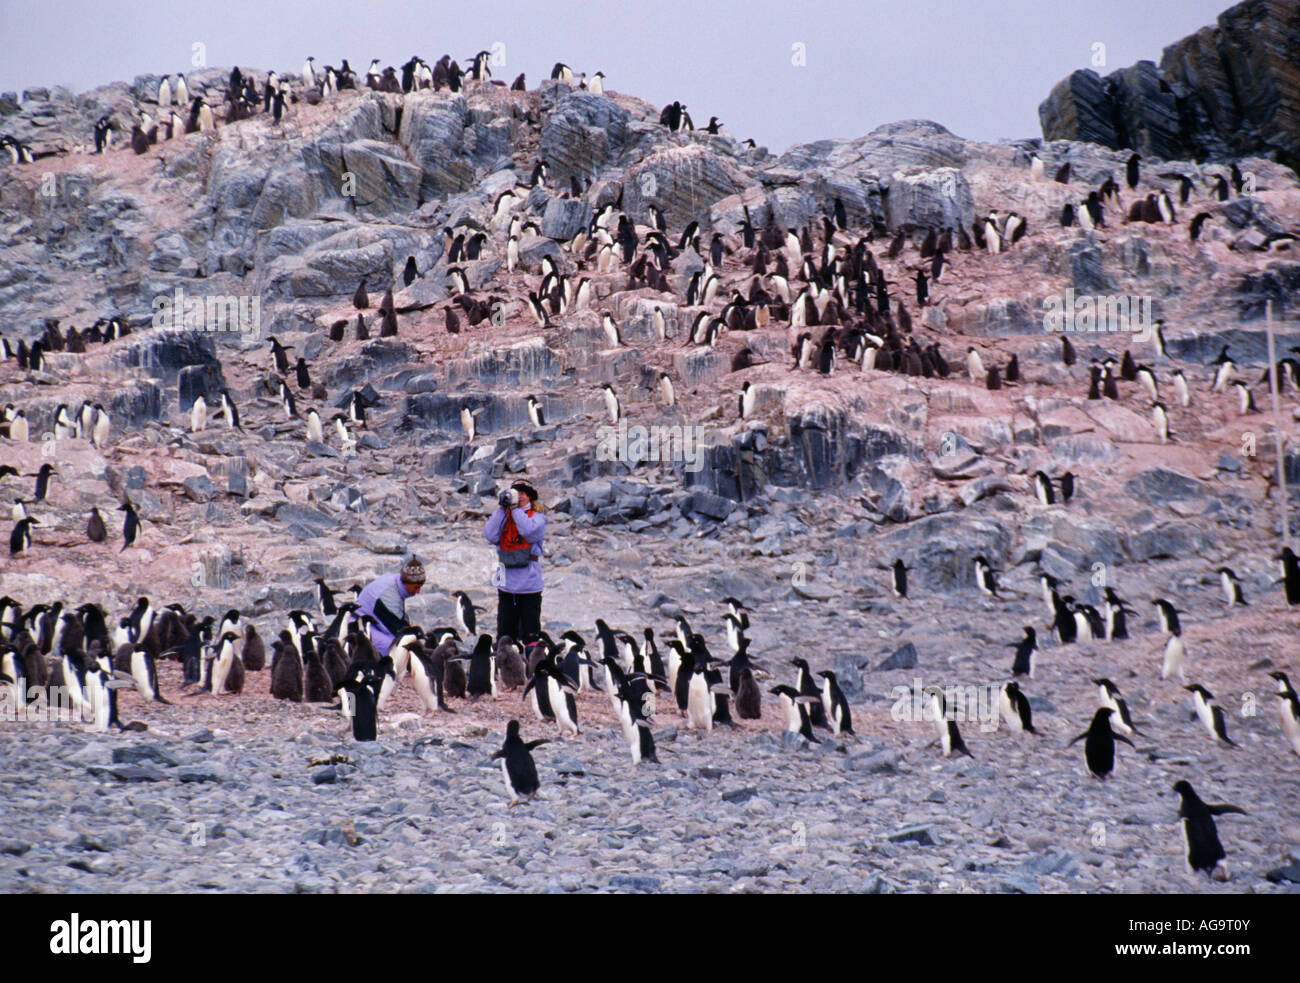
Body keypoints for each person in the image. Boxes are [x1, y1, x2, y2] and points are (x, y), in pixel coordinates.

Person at [482, 481, 545, 646]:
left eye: (523, 493)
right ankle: (503, 668)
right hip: (506, 584)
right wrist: (502, 509)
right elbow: (489, 534)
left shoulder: (537, 517)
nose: (520, 496)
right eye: (516, 493)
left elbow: (528, 532)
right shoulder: (505, 516)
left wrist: (515, 509)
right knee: (504, 635)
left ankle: (530, 668)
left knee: (531, 636)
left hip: (529, 585)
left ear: (530, 496)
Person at [355, 555, 425, 657]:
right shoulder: (389, 596)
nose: (418, 592)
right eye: (416, 587)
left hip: (372, 621)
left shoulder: (395, 581)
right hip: (359, 625)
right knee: (398, 648)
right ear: (407, 582)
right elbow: (398, 630)